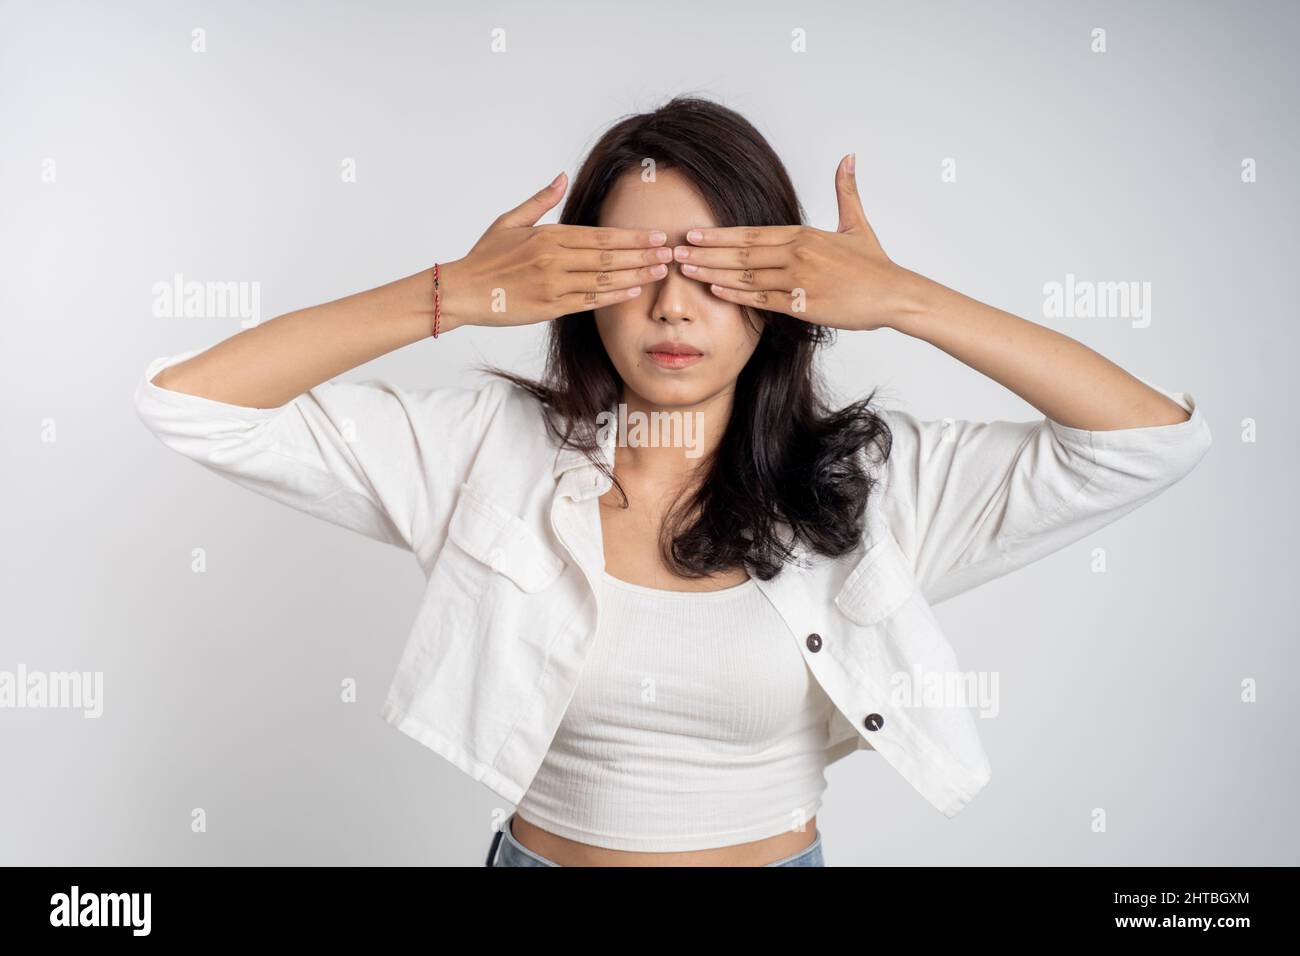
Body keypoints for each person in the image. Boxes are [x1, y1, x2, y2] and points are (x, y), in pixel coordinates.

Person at [134, 96, 1212, 867]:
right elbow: (191, 402)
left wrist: (905, 299)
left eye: (716, 269)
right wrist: (449, 293)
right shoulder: (483, 449)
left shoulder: (870, 483)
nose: (674, 308)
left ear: (782, 289)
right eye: (636, 268)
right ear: (577, 287)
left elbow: (1148, 439)